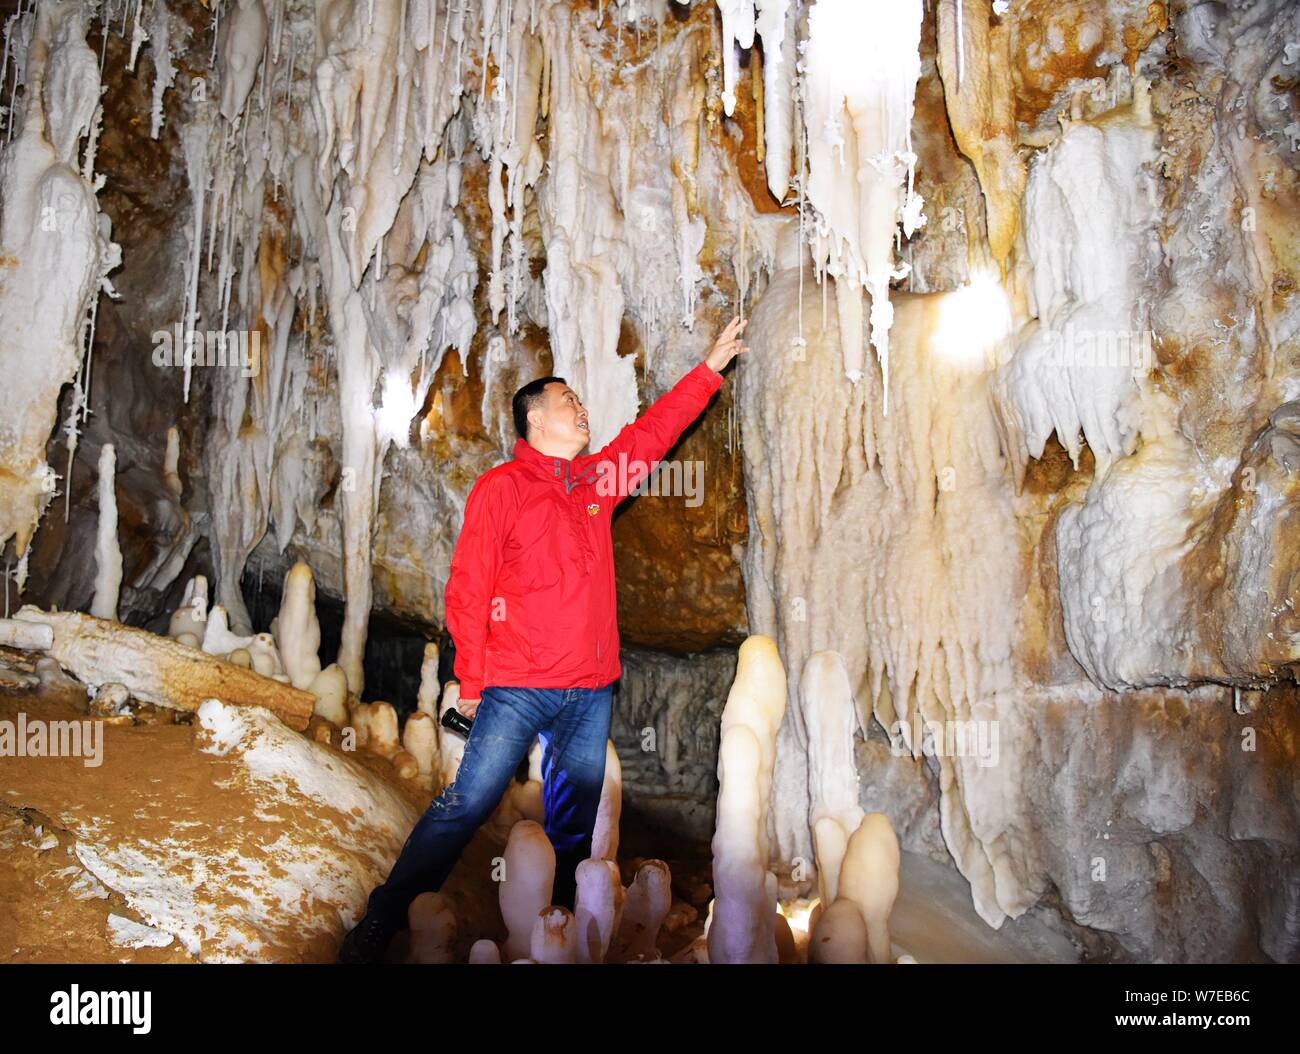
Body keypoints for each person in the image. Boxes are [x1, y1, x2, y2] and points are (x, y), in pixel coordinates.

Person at [338, 317, 750, 963]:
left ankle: (552, 940)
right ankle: (382, 919)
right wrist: (471, 682)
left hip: (588, 690)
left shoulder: (593, 486)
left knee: (574, 825)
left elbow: (651, 435)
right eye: (569, 403)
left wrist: (708, 369)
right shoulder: (502, 488)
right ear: (535, 420)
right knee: (465, 804)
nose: (581, 410)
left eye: (580, 403)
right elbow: (468, 588)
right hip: (517, 686)